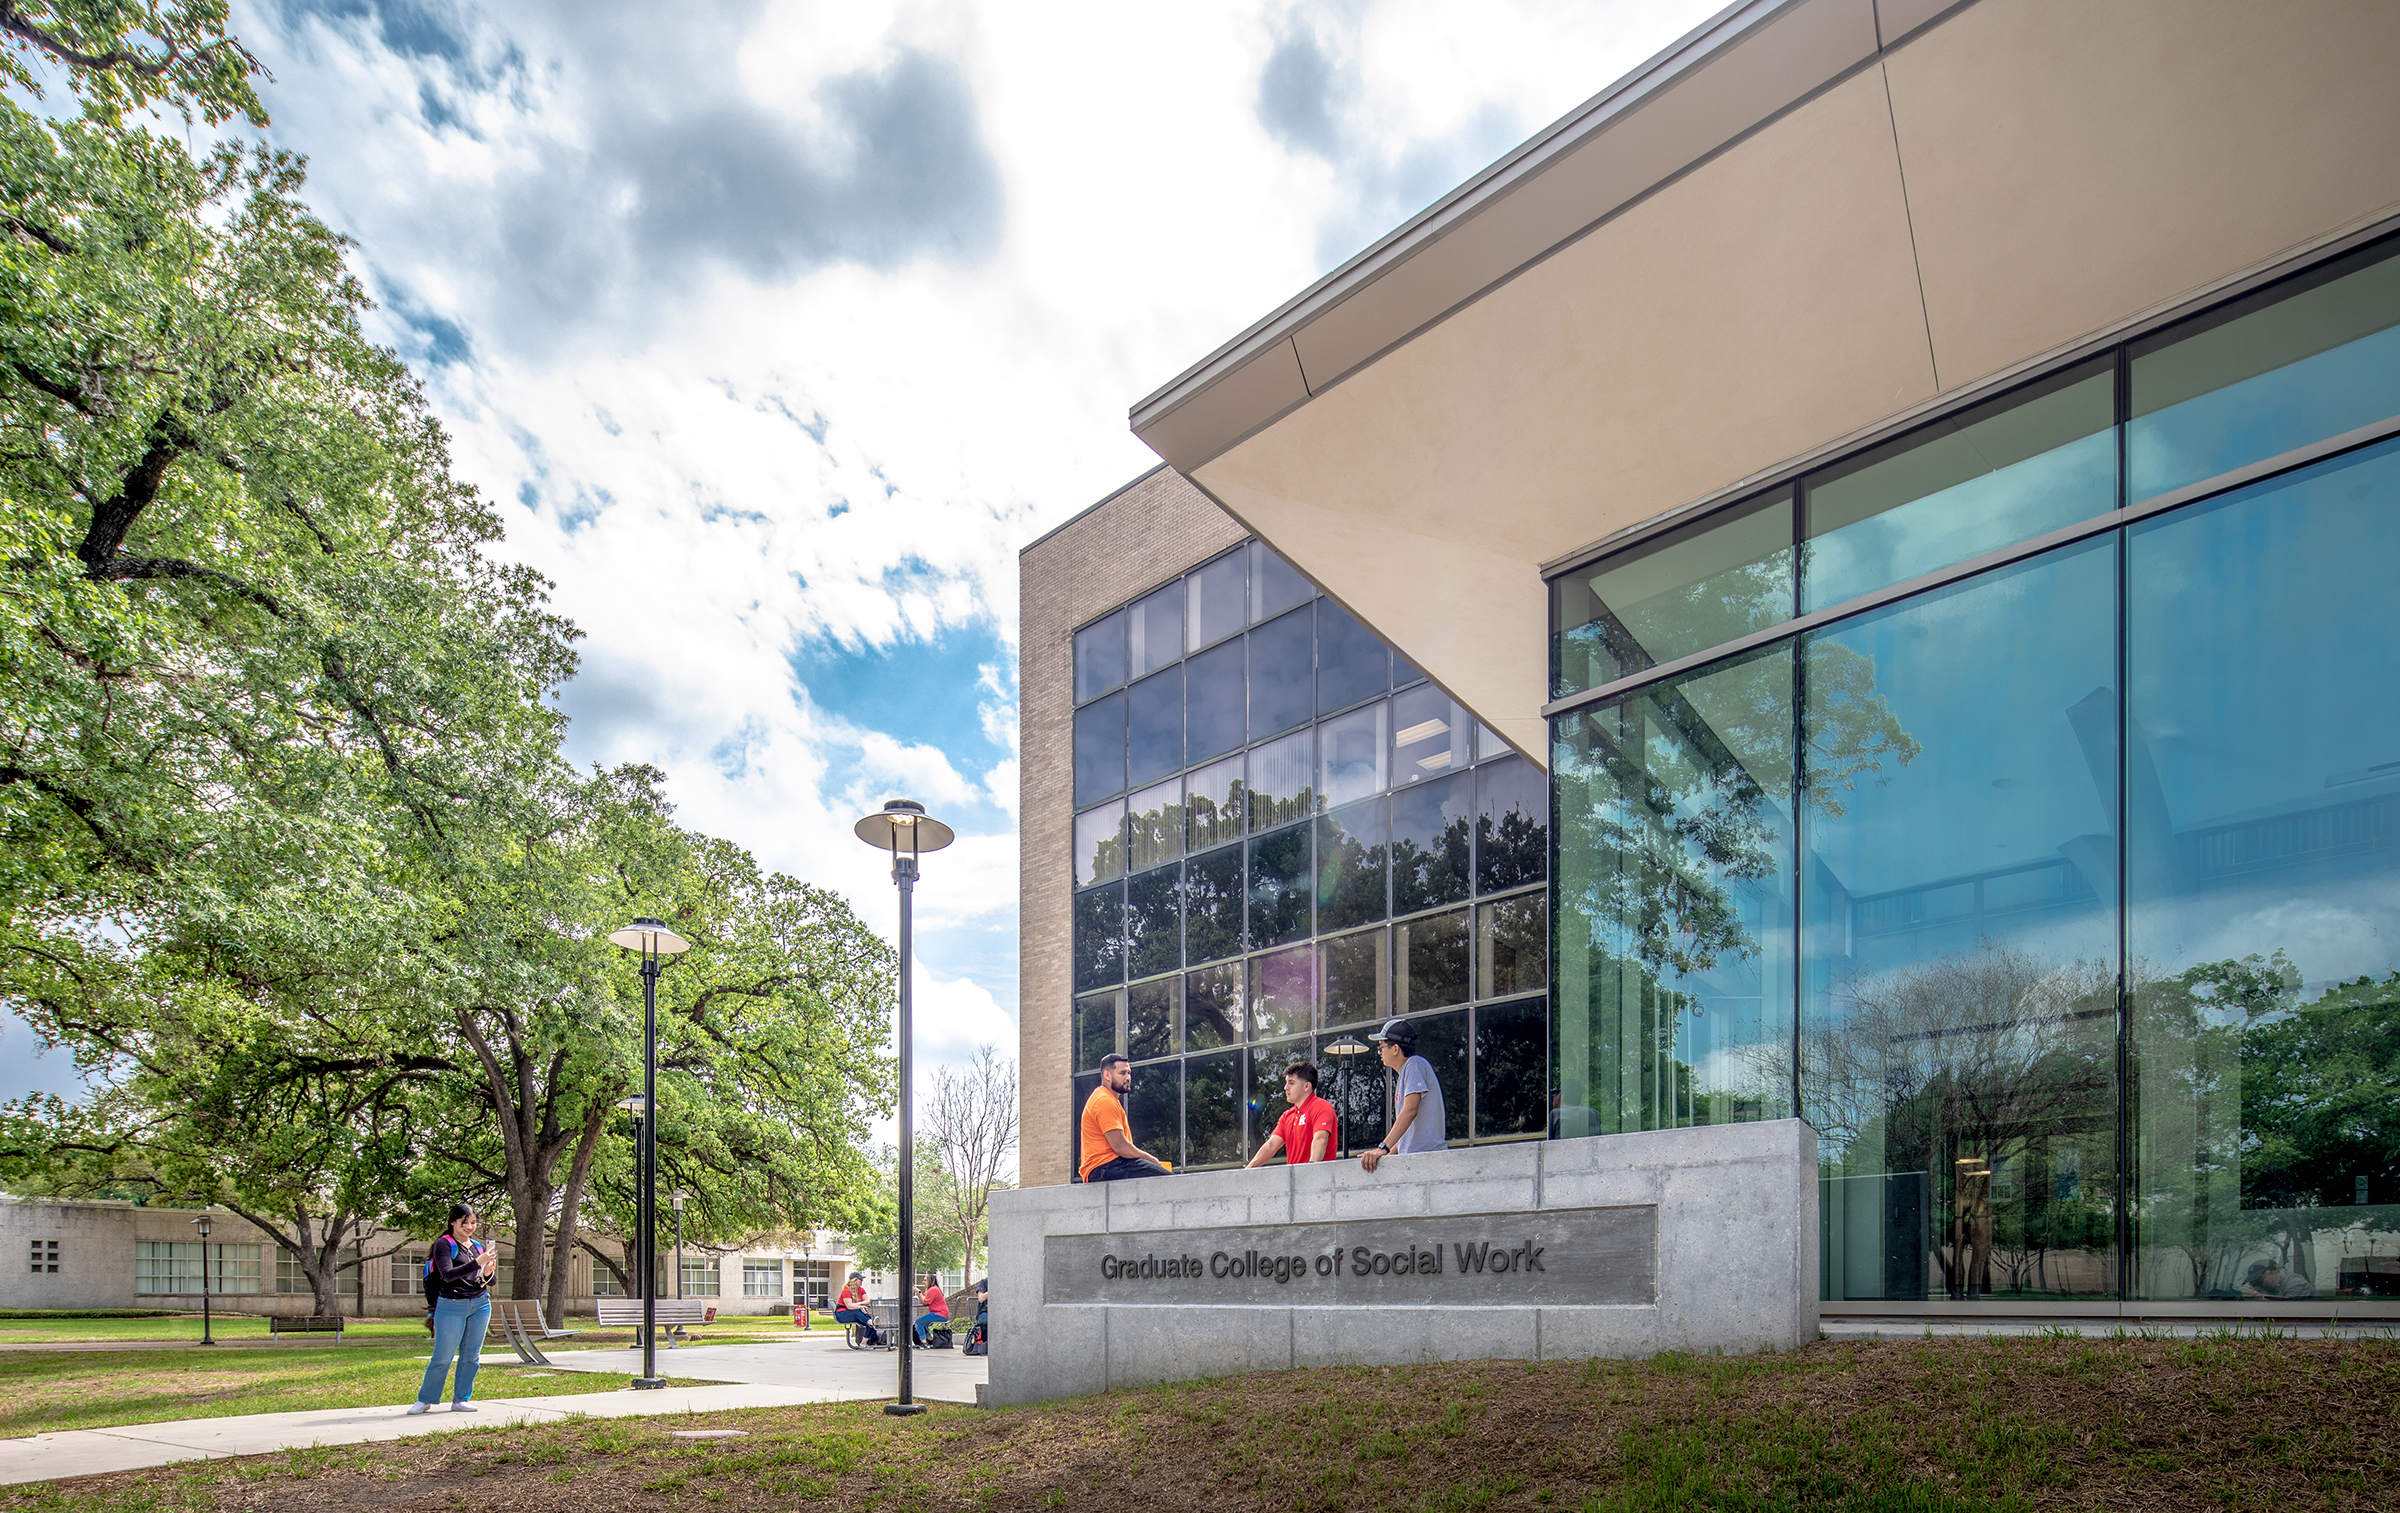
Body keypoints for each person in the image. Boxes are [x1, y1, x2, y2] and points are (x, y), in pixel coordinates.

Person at [409, 1202, 497, 1414]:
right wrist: (478, 1262)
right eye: (464, 1223)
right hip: (451, 1304)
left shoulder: (476, 1247)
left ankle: (461, 1399)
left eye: (473, 1223)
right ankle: (426, 1399)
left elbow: (490, 1282)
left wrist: (487, 1272)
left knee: (471, 1356)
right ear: (452, 1222)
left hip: (480, 1304)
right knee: (443, 1355)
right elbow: (447, 1275)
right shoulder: (444, 1244)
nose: (469, 1227)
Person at [1359, 1018, 1446, 1172]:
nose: (1379, 1052)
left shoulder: (1414, 1064)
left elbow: (1410, 1110)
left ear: (1395, 1049)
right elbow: (1407, 1135)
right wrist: (1384, 1155)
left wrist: (1382, 1148)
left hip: (1427, 1160)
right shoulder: (1406, 1072)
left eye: (1381, 1046)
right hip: (1416, 1161)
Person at [1079, 1053, 1172, 1181]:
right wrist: (1149, 1159)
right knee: (1170, 1181)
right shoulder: (1104, 1101)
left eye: (1129, 1073)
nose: (1128, 1078)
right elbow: (1120, 1147)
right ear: (1107, 1075)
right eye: (1122, 1073)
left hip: (1108, 1167)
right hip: (1105, 1167)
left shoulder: (1108, 1099)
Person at [1247, 1060, 1337, 1167]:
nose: (1286, 1087)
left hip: (1319, 1180)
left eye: (1291, 1083)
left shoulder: (1321, 1107)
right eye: (1286, 1083)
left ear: (1306, 1086)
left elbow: (1320, 1139)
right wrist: (1248, 1170)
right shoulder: (1287, 1116)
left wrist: (1311, 1170)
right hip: (1294, 1180)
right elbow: (1271, 1145)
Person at [833, 1272, 881, 1346]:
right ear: (854, 1280)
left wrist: (858, 1305)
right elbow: (849, 1306)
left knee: (871, 1321)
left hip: (856, 1313)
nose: (862, 1281)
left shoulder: (861, 1290)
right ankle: (869, 1321)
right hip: (842, 1314)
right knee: (857, 1311)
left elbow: (867, 1300)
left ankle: (863, 1342)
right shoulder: (846, 1290)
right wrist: (860, 1306)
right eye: (860, 1279)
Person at [912, 1276, 950, 1345]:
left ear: (930, 1281)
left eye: (925, 1280)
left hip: (939, 1314)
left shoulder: (933, 1289)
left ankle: (923, 1342)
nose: (923, 1282)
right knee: (923, 1323)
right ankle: (930, 1339)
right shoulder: (934, 1289)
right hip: (941, 1314)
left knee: (918, 1322)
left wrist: (919, 1292)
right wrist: (919, 1293)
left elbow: (925, 1302)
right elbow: (925, 1300)